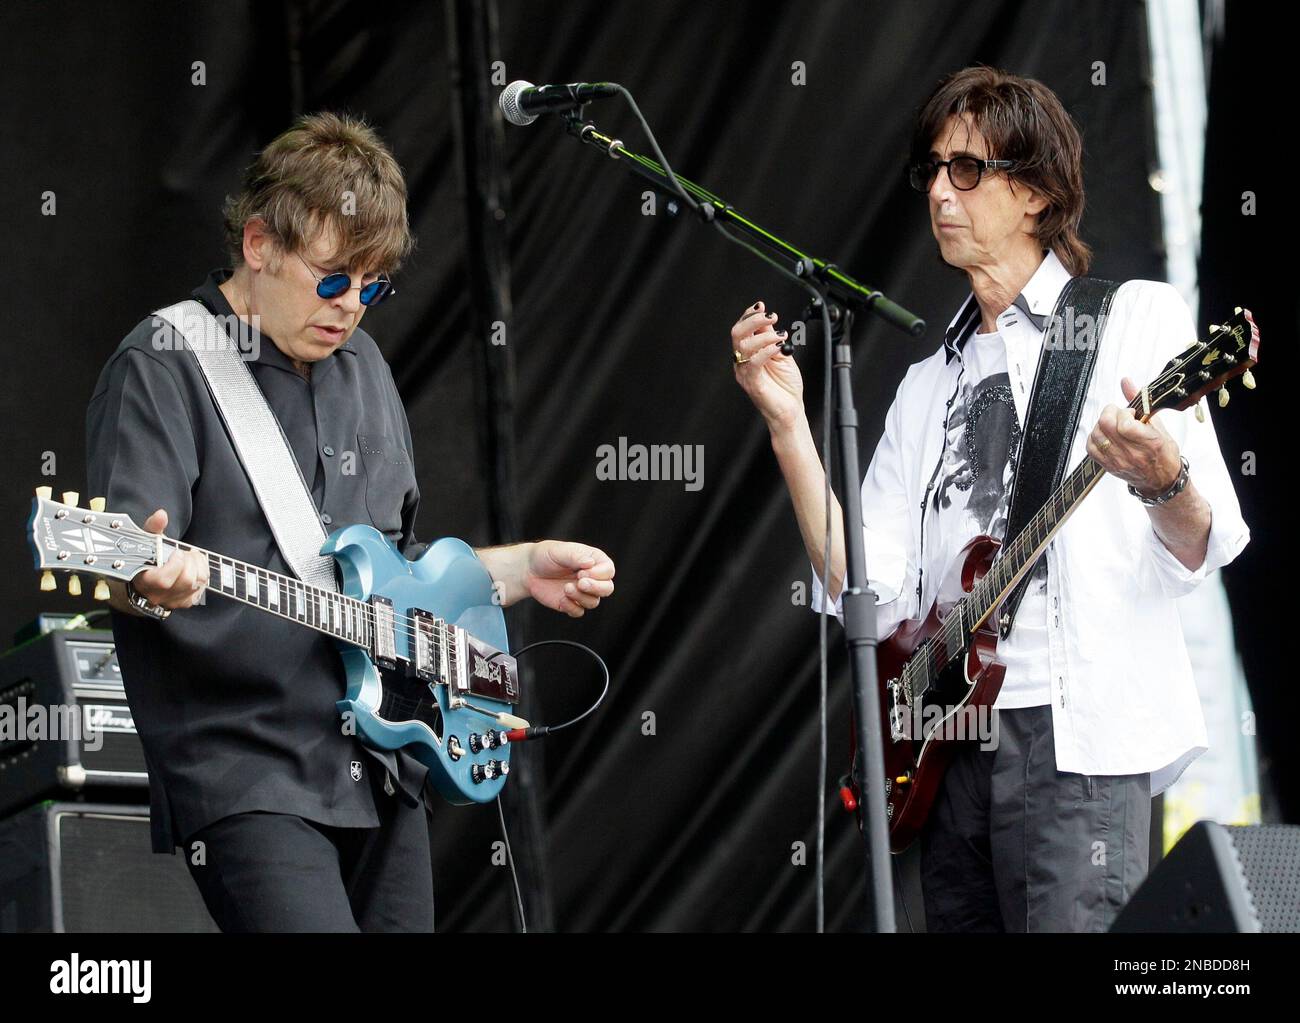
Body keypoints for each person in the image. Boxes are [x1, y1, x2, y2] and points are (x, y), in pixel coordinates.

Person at [728, 66, 1249, 932]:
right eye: (932, 169)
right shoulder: (926, 387)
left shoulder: (1132, 321)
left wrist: (1163, 477)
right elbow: (866, 588)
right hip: (947, 749)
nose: (940, 190)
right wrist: (788, 429)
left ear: (1038, 194)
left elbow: (1200, 543)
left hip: (1077, 744)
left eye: (967, 169)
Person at [86, 112, 615, 933]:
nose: (351, 309)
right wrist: (147, 581)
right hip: (249, 768)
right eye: (332, 278)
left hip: (382, 764)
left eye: (373, 288)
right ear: (258, 244)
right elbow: (123, 564)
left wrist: (518, 570)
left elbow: (394, 572)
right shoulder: (165, 365)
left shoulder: (363, 366)